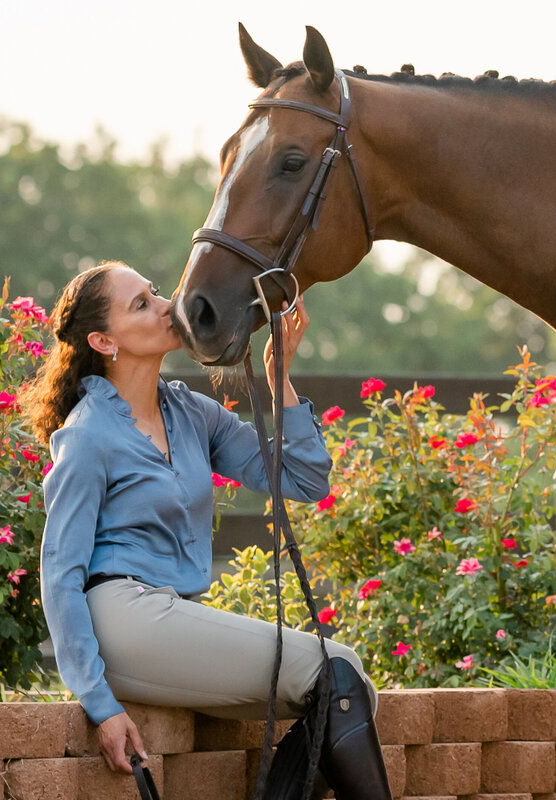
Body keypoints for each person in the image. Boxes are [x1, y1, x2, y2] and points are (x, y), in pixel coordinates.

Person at [25, 261, 390, 799]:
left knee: (345, 683)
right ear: (104, 341)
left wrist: (280, 381)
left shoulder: (190, 412)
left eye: (155, 292)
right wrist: (101, 705)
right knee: (335, 670)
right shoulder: (87, 436)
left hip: (170, 616)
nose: (166, 306)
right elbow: (59, 576)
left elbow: (305, 479)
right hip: (121, 621)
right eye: (141, 304)